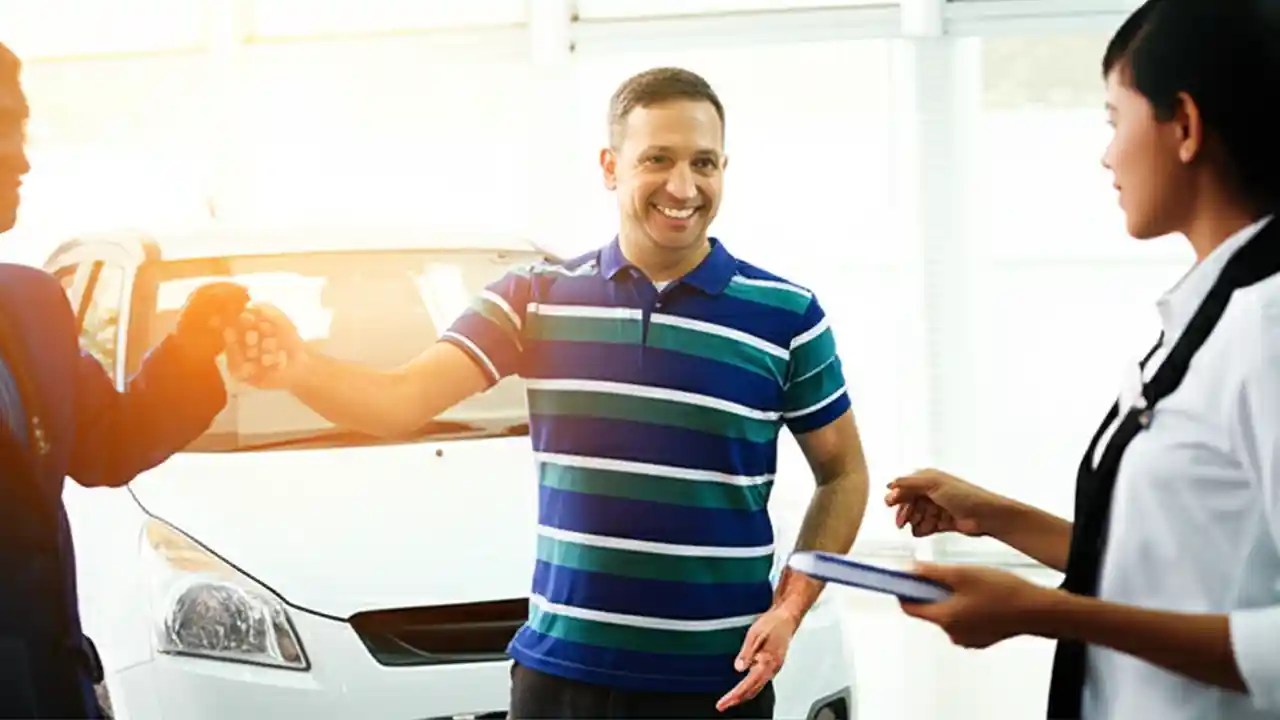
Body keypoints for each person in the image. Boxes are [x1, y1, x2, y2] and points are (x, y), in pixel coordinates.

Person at [226, 67, 871, 718]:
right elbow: (401, 399)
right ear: (610, 166)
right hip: (561, 687)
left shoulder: (788, 317)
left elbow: (843, 474)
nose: (683, 186)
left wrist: (791, 606)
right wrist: (301, 369)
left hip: (720, 688)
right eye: (658, 159)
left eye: (704, 163)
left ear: (725, 167)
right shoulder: (534, 298)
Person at [884, 1, 1280, 718]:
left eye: (1113, 119)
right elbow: (1167, 573)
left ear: (1184, 126)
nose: (1106, 154)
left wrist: (1048, 613)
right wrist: (995, 515)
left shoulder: (1269, 326)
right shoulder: (1213, 315)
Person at [0, 42, 250, 718]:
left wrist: (192, 350)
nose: (23, 155)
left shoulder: (31, 304)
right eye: (4, 125)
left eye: (22, 126)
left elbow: (105, 443)